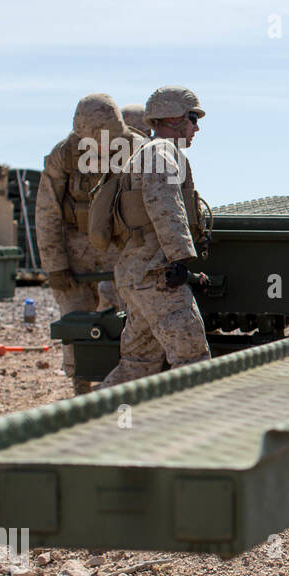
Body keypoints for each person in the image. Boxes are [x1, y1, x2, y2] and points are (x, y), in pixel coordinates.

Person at [98, 85, 212, 388]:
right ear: (173, 118)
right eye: (192, 118)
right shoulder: (161, 153)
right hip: (157, 275)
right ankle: (199, 420)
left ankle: (91, 415)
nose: (196, 128)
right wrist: (180, 259)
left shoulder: (149, 152)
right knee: (192, 360)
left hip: (137, 273)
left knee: (138, 366)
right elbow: (164, 206)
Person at [36, 93, 131, 393]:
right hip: (76, 252)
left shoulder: (135, 147)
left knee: (128, 318)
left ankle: (122, 380)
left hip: (119, 249)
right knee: (76, 321)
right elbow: (47, 213)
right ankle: (81, 385)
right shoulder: (63, 156)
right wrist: (56, 267)